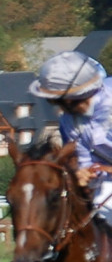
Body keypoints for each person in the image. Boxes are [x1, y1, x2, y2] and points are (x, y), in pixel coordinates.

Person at [29, 50, 112, 229]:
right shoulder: (68, 120)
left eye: (57, 101)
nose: (56, 107)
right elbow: (83, 160)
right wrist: (83, 174)